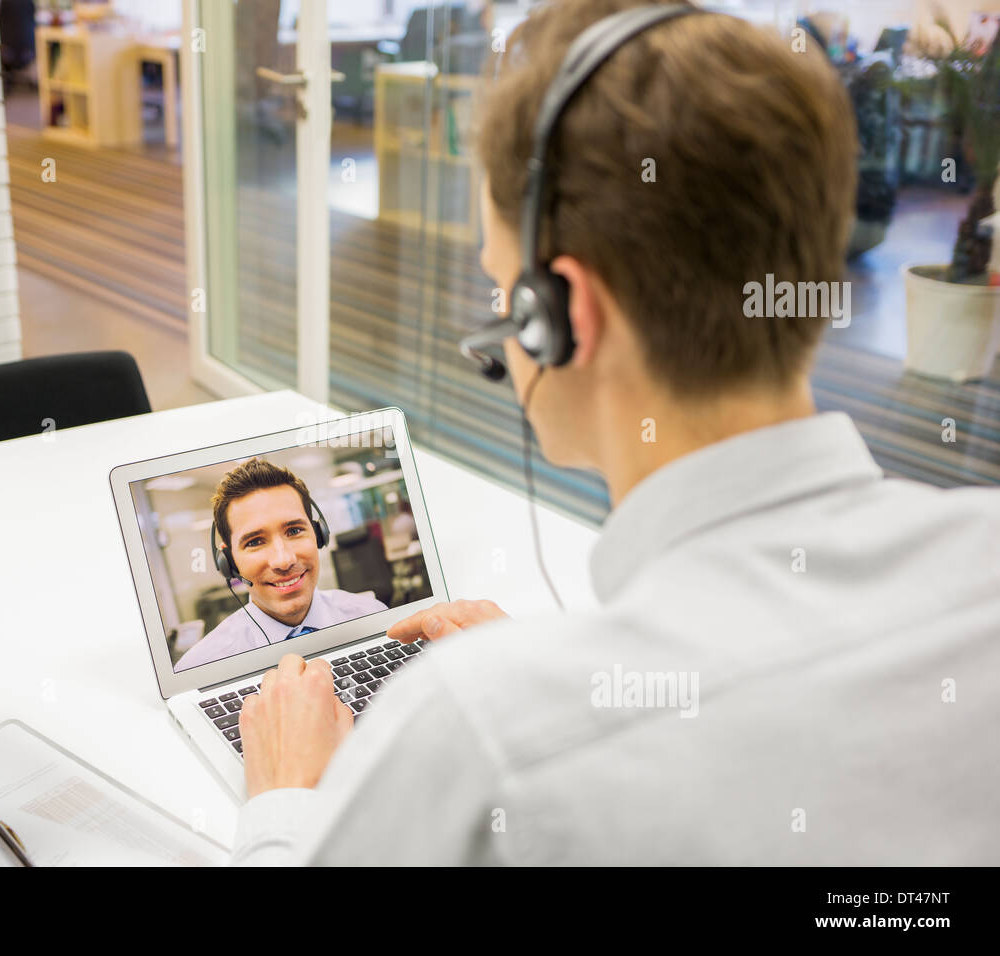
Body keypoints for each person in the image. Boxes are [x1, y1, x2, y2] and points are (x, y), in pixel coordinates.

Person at [229, 0, 1000, 864]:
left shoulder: (478, 742)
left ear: (564, 317)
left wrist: (286, 800)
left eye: (501, 291)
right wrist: (562, 678)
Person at [175, 458, 387, 671]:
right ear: (229, 561)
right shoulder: (201, 667)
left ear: (318, 534)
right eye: (255, 542)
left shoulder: (372, 616)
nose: (284, 560)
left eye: (294, 531)